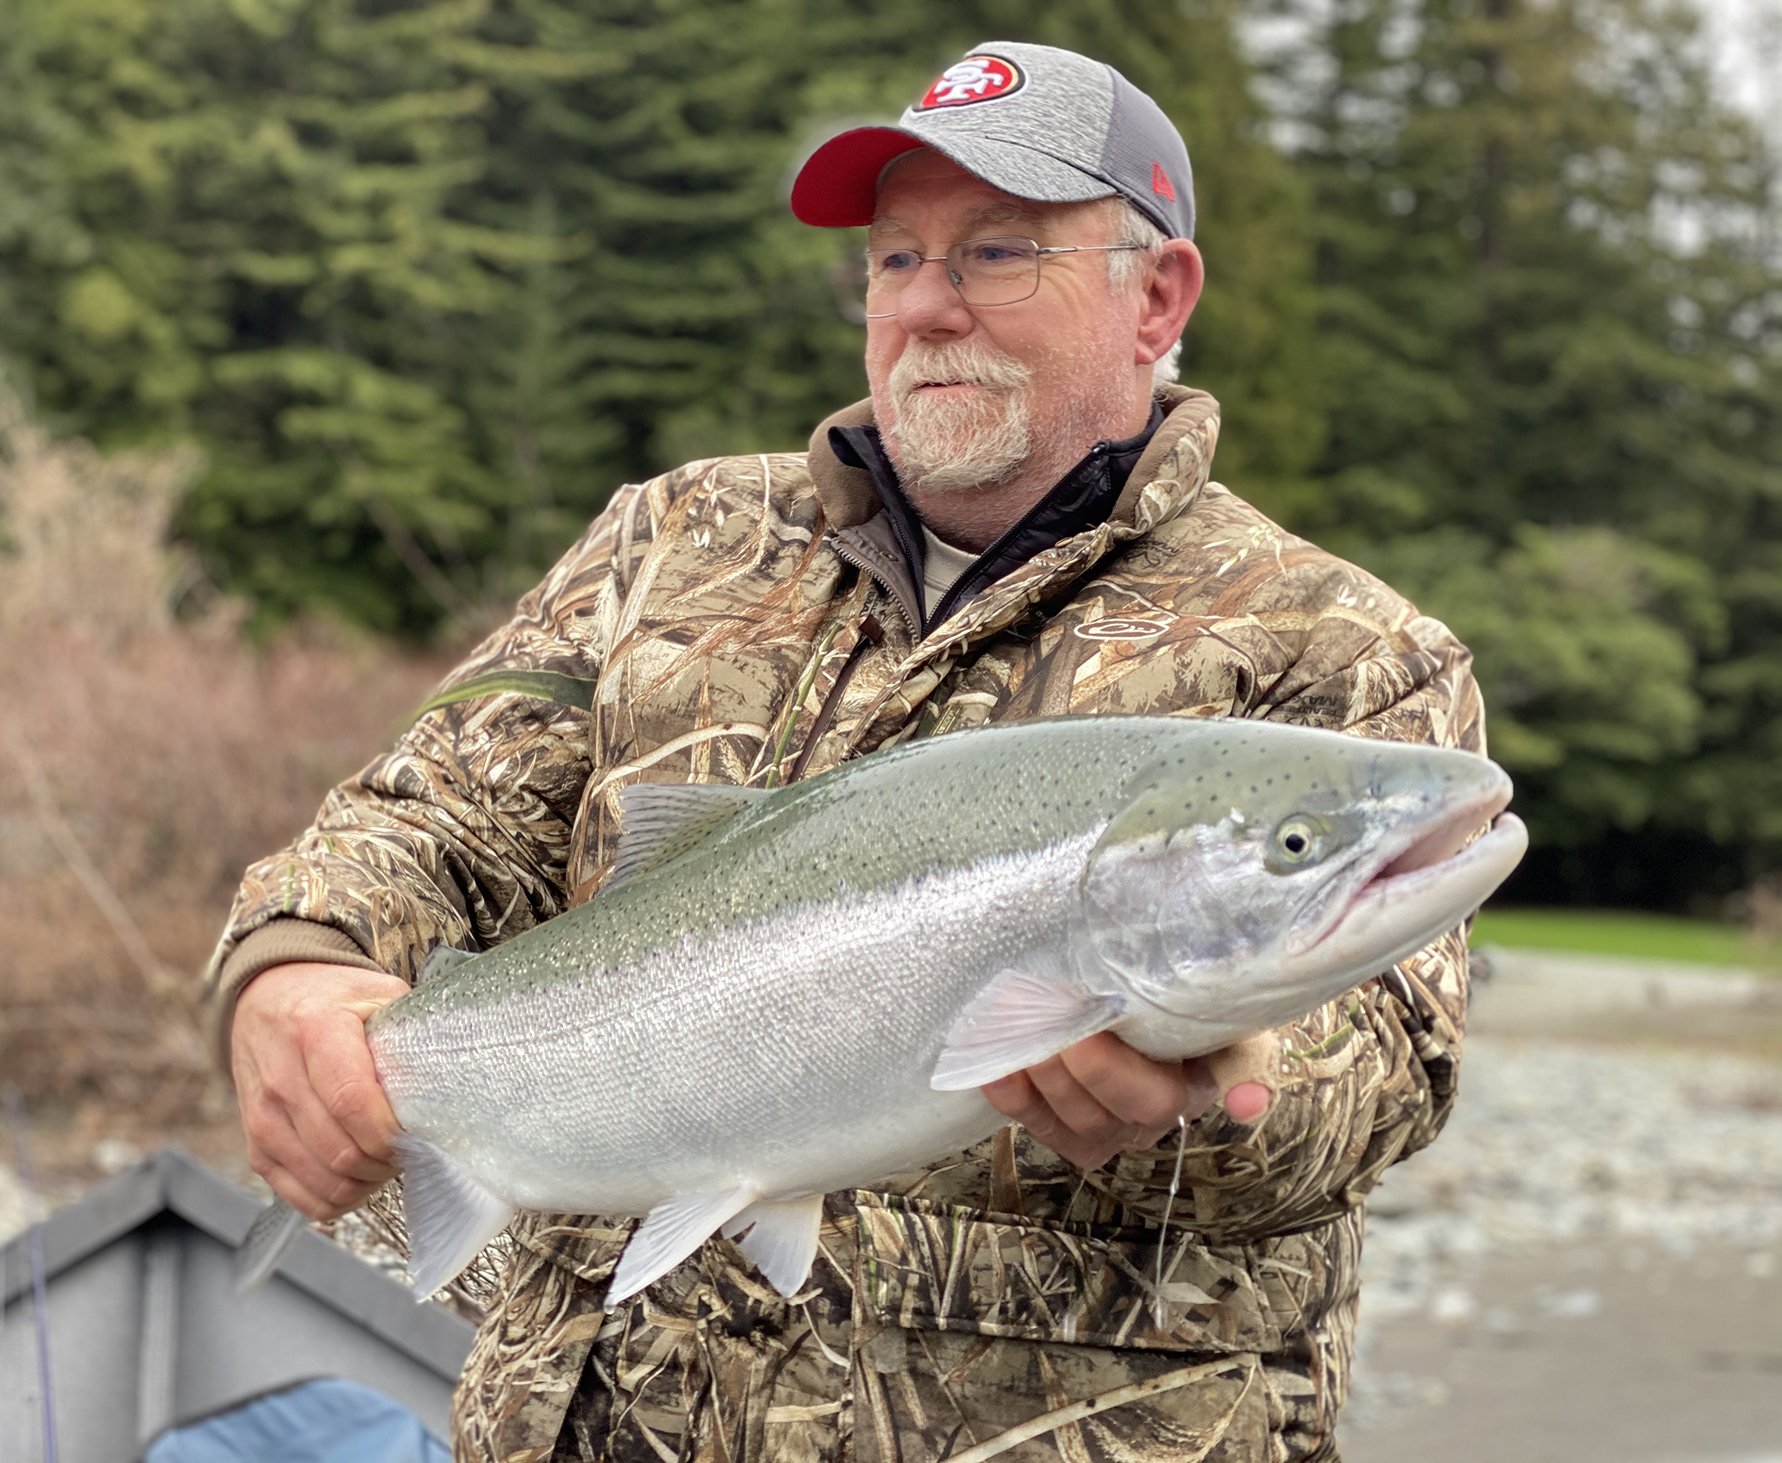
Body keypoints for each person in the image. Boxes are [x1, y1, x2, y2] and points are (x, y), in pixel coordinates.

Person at [207, 40, 1484, 1463]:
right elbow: (428, 820)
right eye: (893, 261)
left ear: (1157, 297)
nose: (928, 305)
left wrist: (1211, 1096)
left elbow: (1384, 1071)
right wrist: (295, 966)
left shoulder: (1347, 649)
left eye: (998, 252)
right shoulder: (669, 538)